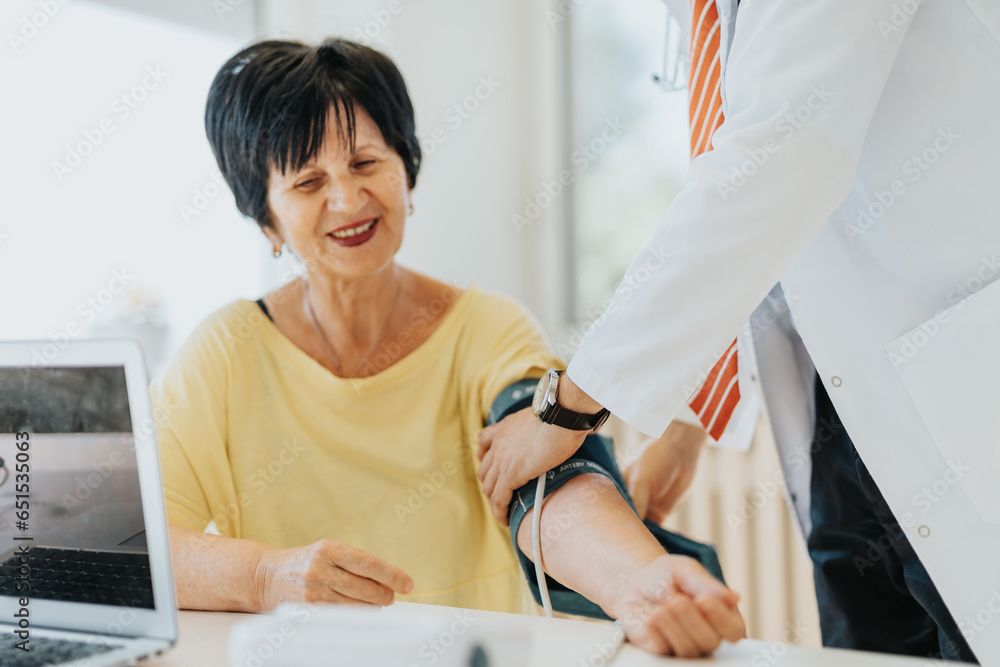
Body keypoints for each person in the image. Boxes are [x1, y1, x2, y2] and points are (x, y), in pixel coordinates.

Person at [151, 37, 745, 657]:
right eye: (308, 182)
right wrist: (265, 577)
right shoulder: (224, 353)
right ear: (266, 217)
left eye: (365, 163)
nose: (348, 201)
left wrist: (635, 579)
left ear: (405, 167)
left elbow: (557, 477)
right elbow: (137, 546)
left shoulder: (488, 328)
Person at [478, 0, 1000, 663]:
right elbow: (762, 217)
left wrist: (568, 406)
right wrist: (689, 415)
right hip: (839, 407)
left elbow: (777, 162)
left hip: (964, 380)